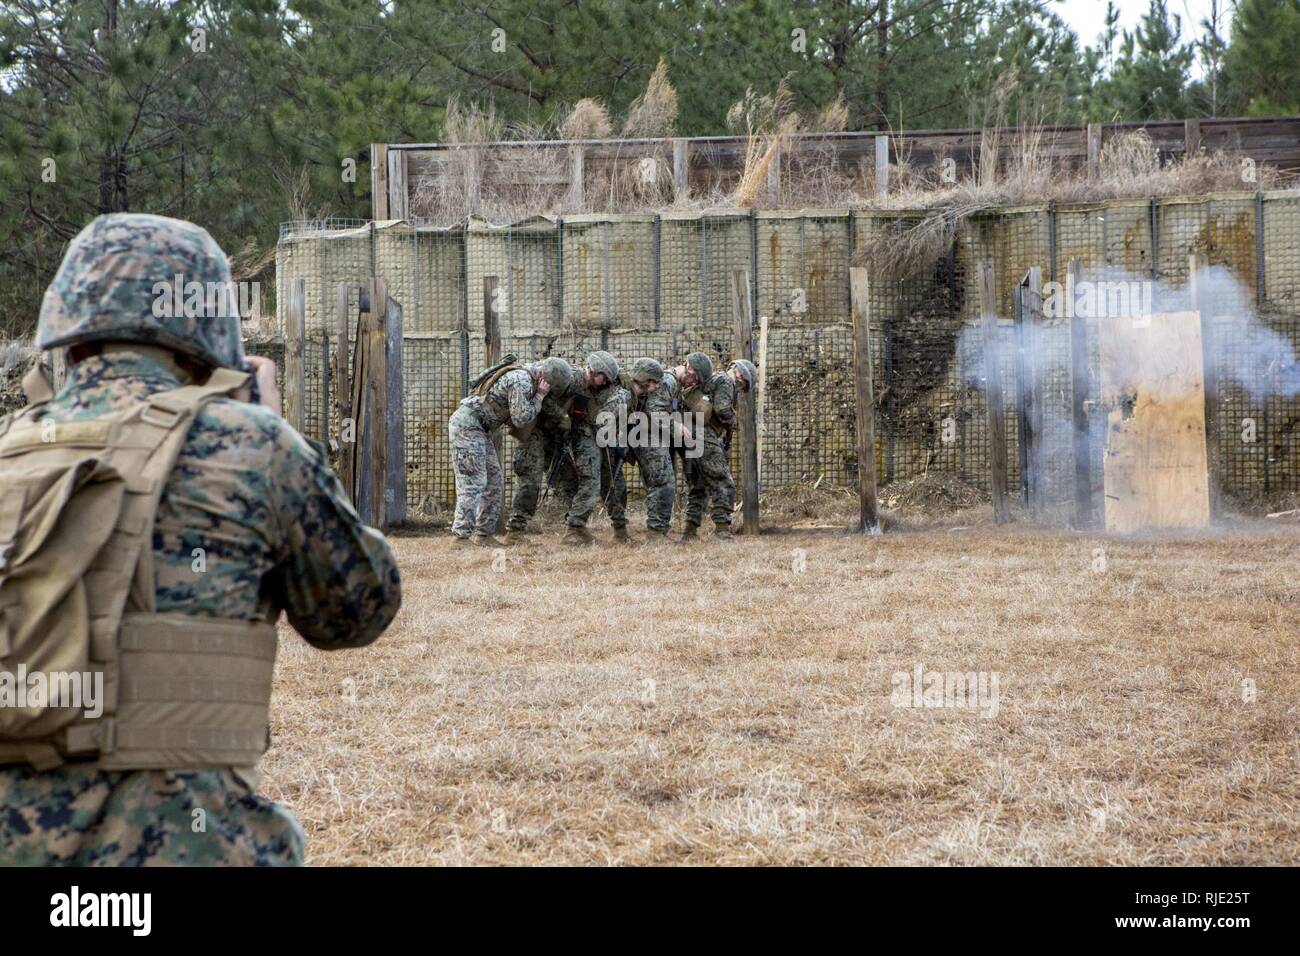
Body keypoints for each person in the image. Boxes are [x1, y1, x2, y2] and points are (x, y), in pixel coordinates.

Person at [0, 213, 401, 866]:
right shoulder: (253, 444)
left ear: (64, 328)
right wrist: (280, 439)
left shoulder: (11, 449)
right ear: (207, 328)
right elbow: (357, 611)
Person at [448, 356, 572, 545]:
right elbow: (521, 418)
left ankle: (484, 534)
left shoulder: (527, 377)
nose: (549, 391)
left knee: (494, 480)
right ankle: (460, 537)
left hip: (480, 429)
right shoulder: (521, 380)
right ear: (543, 377)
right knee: (473, 481)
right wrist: (539, 396)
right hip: (468, 426)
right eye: (550, 387)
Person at [680, 356, 757, 541]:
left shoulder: (713, 378)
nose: (741, 384)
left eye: (744, 384)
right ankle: (722, 530)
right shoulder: (725, 381)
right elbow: (722, 409)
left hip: (689, 434)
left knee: (698, 486)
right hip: (704, 436)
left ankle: (689, 531)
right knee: (723, 480)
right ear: (737, 371)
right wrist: (733, 422)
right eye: (743, 380)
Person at [603, 358, 676, 541]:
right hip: (608, 439)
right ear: (644, 380)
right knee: (614, 483)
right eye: (653, 382)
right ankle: (619, 531)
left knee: (657, 479)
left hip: (630, 435)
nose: (657, 386)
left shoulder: (640, 394)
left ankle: (644, 532)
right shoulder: (622, 395)